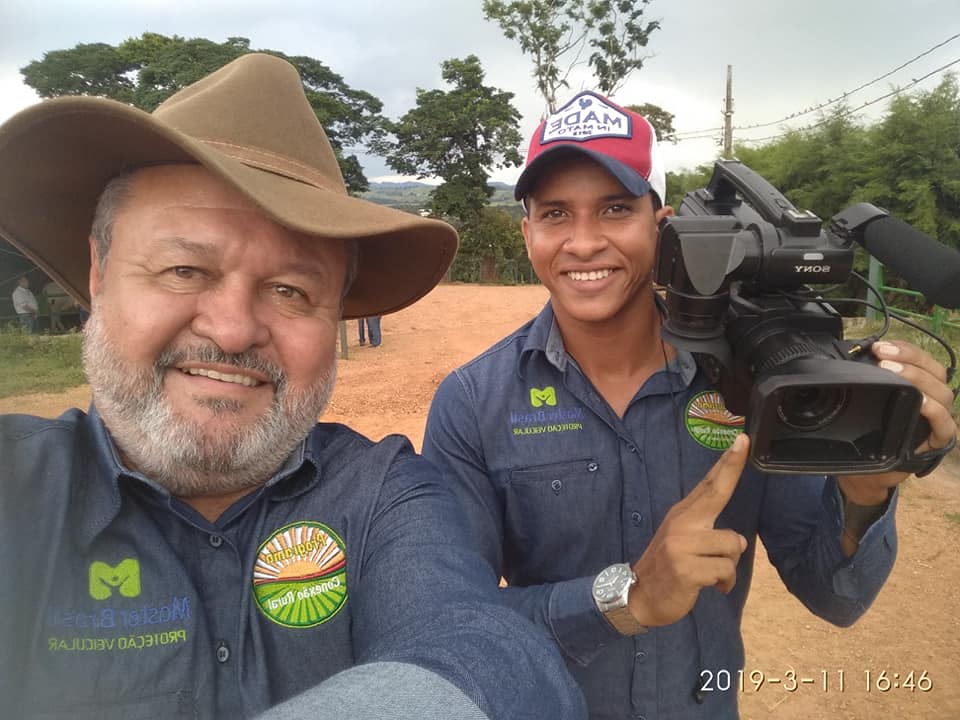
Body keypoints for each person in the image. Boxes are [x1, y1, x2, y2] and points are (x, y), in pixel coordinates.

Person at [0, 54, 585, 720]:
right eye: (184, 268)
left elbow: (485, 649)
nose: (231, 329)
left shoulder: (385, 493)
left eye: (289, 289)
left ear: (334, 311)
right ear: (99, 271)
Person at [422, 91, 958, 720]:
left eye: (616, 209)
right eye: (556, 213)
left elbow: (835, 596)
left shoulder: (754, 384)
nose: (584, 242)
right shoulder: (472, 402)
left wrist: (865, 494)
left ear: (664, 226)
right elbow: (450, 624)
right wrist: (625, 599)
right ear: (529, 231)